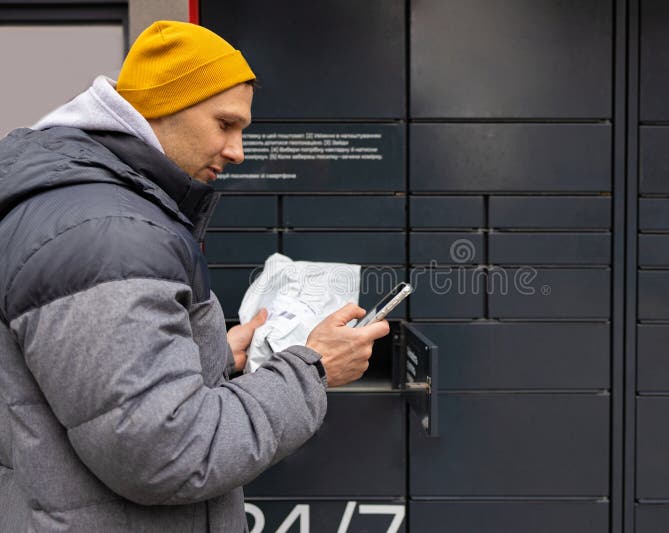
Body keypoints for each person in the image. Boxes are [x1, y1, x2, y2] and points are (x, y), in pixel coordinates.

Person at [0, 20, 389, 532]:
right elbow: (167, 453)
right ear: (161, 108)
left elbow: (101, 397)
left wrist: (213, 357)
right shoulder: (109, 233)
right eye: (225, 124)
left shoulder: (92, 207)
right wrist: (311, 369)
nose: (237, 151)